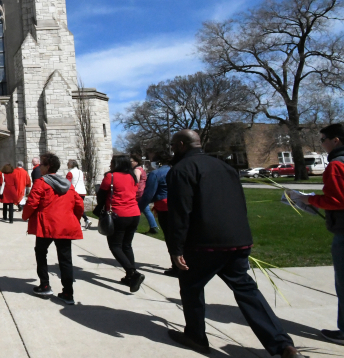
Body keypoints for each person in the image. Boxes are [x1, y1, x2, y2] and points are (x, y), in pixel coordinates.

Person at [166, 130, 304, 358]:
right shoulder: (226, 167)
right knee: (247, 291)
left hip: (203, 244)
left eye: (173, 145)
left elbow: (180, 213)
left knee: (191, 288)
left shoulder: (181, 170)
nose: (171, 149)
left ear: (181, 145)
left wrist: (175, 248)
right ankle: (282, 345)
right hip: (237, 240)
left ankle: (196, 336)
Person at [292, 123, 344, 345]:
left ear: (336, 140)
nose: (321, 144)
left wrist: (309, 199)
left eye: (323, 139)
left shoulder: (336, 165)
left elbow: (337, 200)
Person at [22, 152, 83, 304]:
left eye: (41, 164)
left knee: (41, 253)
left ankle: (45, 284)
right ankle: (68, 293)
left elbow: (32, 203)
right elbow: (79, 204)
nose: (39, 167)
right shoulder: (67, 185)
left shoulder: (41, 183)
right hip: (64, 225)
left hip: (47, 225)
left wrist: (25, 216)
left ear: (47, 166)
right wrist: (75, 217)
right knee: (65, 259)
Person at [95, 155, 144, 292]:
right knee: (127, 245)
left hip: (119, 214)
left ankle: (133, 273)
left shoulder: (110, 176)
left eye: (112, 162)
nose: (110, 164)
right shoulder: (132, 176)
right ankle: (130, 276)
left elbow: (101, 195)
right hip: (134, 213)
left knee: (115, 246)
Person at [140, 156, 175, 276]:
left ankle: (176, 265)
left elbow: (149, 194)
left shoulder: (156, 174)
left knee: (171, 237)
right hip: (181, 205)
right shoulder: (180, 170)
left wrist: (138, 208)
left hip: (164, 207)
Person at [132, 154, 157, 235]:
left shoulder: (137, 170)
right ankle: (153, 226)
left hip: (138, 193)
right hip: (142, 193)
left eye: (131, 161)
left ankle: (134, 227)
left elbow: (135, 181)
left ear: (136, 162)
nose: (130, 163)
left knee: (136, 211)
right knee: (146, 210)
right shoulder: (141, 169)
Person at [66, 159, 91, 230]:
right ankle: (86, 220)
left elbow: (67, 183)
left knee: (74, 209)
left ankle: (78, 224)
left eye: (68, 164)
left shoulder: (70, 172)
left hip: (75, 192)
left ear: (70, 165)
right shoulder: (81, 172)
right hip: (82, 191)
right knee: (79, 207)